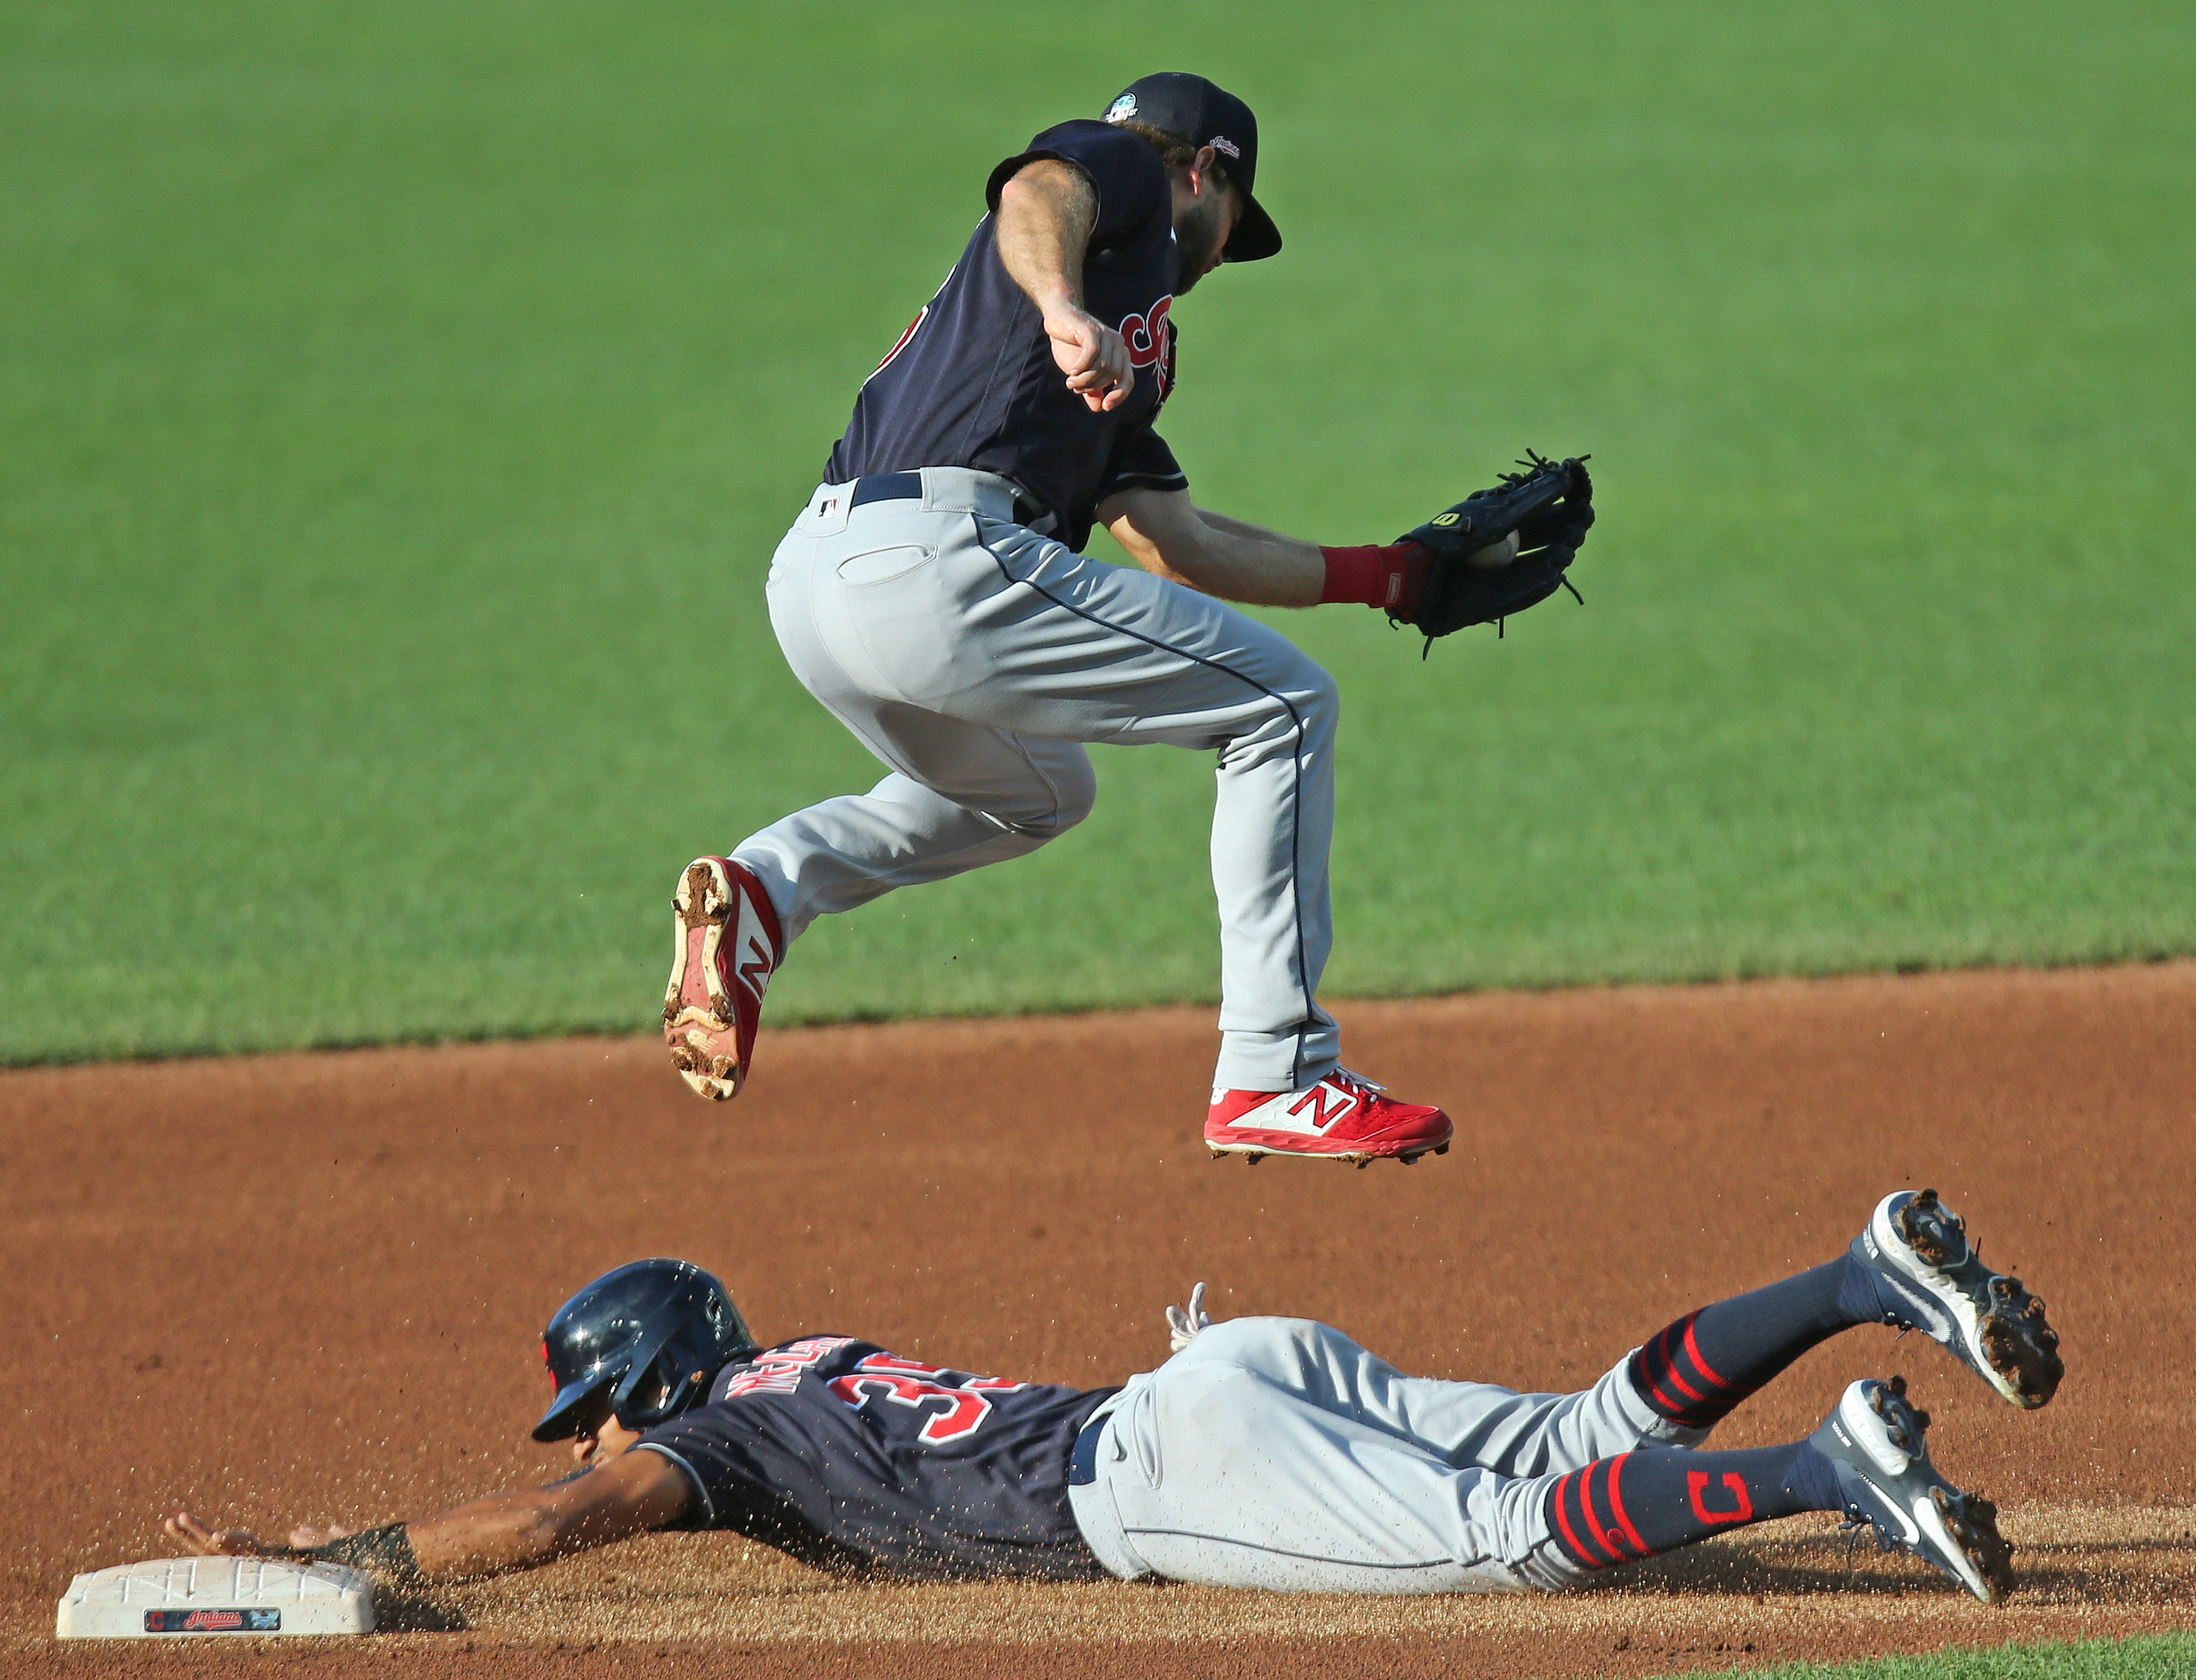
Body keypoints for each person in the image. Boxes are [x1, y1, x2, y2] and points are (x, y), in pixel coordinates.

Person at [659, 71, 1536, 1165]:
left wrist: (1389, 578)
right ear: (1205, 171)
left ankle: (762, 891)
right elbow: (1033, 193)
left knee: (1038, 792)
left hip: (821, 583)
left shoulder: (1133, 345)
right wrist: (1064, 307)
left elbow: (1177, 544)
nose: (1221, 258)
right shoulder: (1118, 181)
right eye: (1231, 229)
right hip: (939, 561)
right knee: (1286, 709)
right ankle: (1278, 1070)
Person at [167, 1190, 2061, 1603]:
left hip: (1158, 1470)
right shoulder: (793, 1355)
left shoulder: (704, 1433)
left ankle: (1836, 1460)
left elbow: (571, 1515)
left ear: (643, 1382)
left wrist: (331, 1563)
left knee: (1514, 1542)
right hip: (1226, 1362)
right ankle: (1854, 1275)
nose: (590, 1443)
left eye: (592, 1407)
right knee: (1577, 1433)